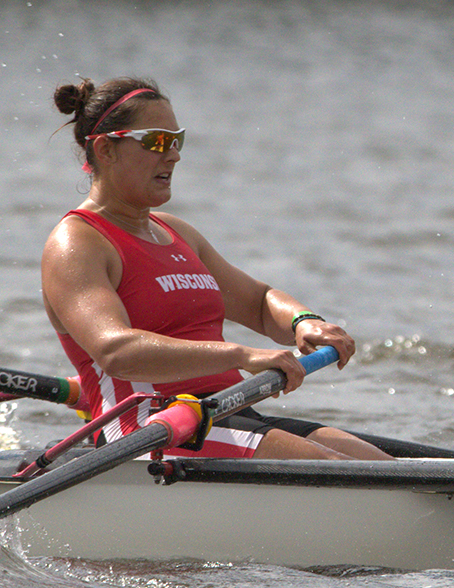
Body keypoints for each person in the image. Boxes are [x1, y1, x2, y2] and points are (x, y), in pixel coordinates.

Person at [42, 76, 389, 461]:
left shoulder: (176, 232)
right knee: (340, 470)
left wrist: (304, 322)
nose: (173, 155)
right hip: (146, 429)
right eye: (157, 141)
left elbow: (258, 302)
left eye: (177, 141)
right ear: (106, 149)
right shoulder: (77, 242)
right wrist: (240, 356)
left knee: (389, 466)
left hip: (224, 413)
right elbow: (116, 351)